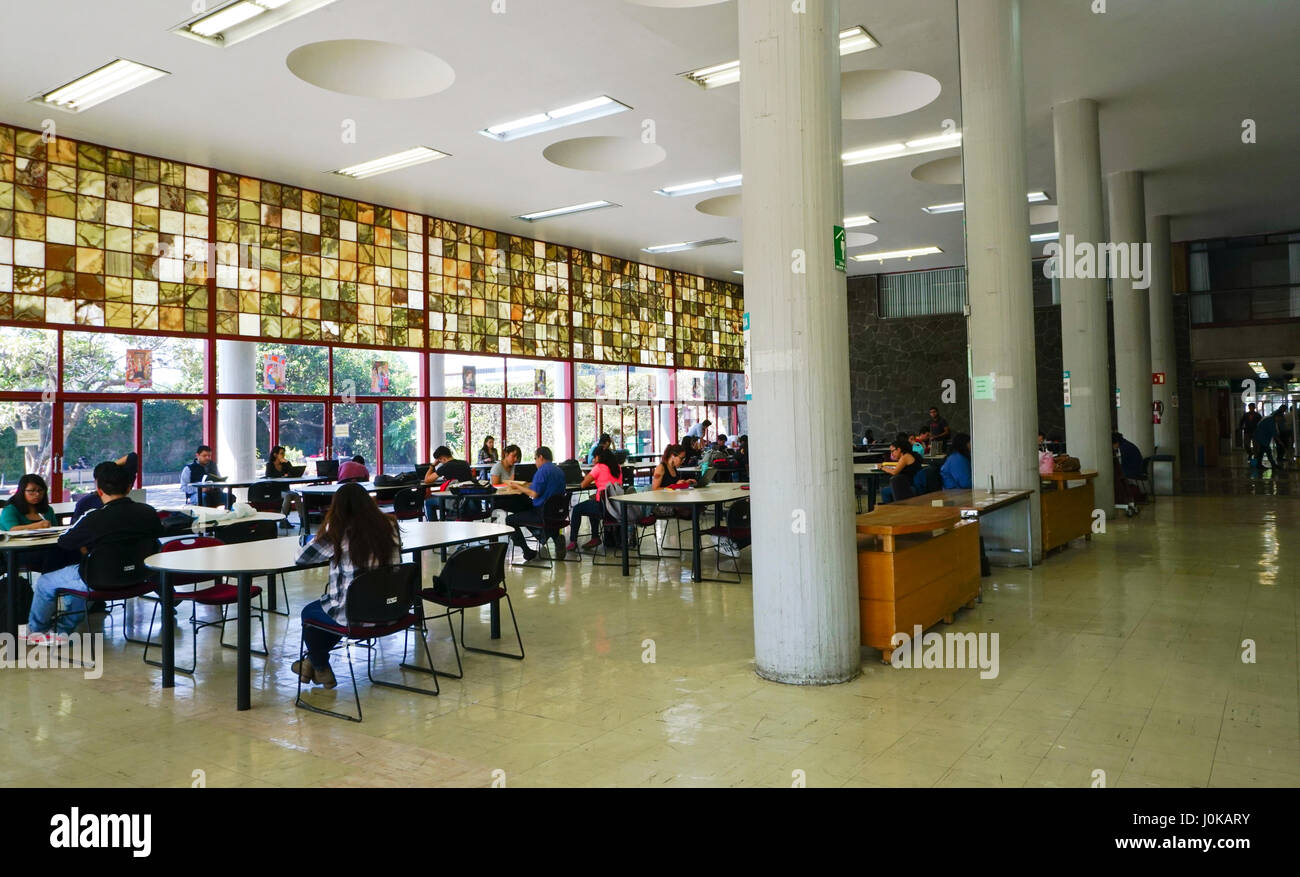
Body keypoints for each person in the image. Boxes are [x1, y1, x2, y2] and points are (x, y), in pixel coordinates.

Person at [24, 462, 162, 646]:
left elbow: (65, 542)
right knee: (78, 582)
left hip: (100, 578)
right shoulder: (148, 512)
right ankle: (61, 630)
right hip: (140, 576)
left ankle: (39, 631)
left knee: (45, 581)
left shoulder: (94, 517)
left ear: (99, 489)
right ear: (129, 487)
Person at [291, 482, 401, 689]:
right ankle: (313, 665)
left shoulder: (339, 531)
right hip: (391, 607)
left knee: (310, 614)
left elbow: (302, 558)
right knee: (328, 614)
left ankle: (318, 665)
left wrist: (321, 534)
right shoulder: (390, 525)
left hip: (357, 613)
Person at [499, 447, 568, 561]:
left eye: (535, 458)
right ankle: (553, 537)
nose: (535, 462)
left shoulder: (542, 471)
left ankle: (527, 551)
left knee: (510, 520)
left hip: (542, 513)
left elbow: (534, 494)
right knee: (526, 511)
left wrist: (518, 486)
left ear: (541, 457)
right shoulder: (559, 470)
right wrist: (528, 485)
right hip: (558, 514)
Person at [567, 447, 623, 551]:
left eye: (595, 457)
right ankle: (594, 537)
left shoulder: (598, 467)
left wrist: (591, 476)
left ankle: (573, 541)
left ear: (600, 457)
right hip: (617, 507)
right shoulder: (617, 467)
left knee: (577, 509)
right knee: (592, 504)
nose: (593, 459)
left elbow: (583, 484)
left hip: (604, 508)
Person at [71, 451, 139, 523]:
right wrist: (109, 470)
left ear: (98, 487)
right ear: (128, 488)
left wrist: (106, 472)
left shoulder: (87, 507)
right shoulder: (145, 512)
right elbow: (132, 457)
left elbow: (73, 530)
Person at [423, 446, 474, 520]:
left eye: (440, 460)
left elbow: (427, 480)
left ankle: (434, 526)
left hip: (455, 501)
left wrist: (432, 466)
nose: (440, 462)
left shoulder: (446, 466)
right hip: (468, 501)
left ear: (443, 458)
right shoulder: (465, 463)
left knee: (428, 502)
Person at [490, 444, 532, 517]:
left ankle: (529, 524)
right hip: (501, 498)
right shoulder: (497, 467)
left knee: (528, 501)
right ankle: (517, 522)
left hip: (513, 495)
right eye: (513, 456)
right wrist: (510, 485)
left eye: (517, 457)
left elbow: (514, 481)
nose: (515, 459)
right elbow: (494, 485)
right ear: (506, 454)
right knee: (524, 504)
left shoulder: (514, 467)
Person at [879, 438, 923, 503]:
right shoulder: (912, 454)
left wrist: (882, 467)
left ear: (899, 449)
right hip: (914, 485)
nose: (892, 454)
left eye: (892, 451)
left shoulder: (905, 457)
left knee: (884, 491)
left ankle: (890, 510)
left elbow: (894, 472)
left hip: (909, 487)